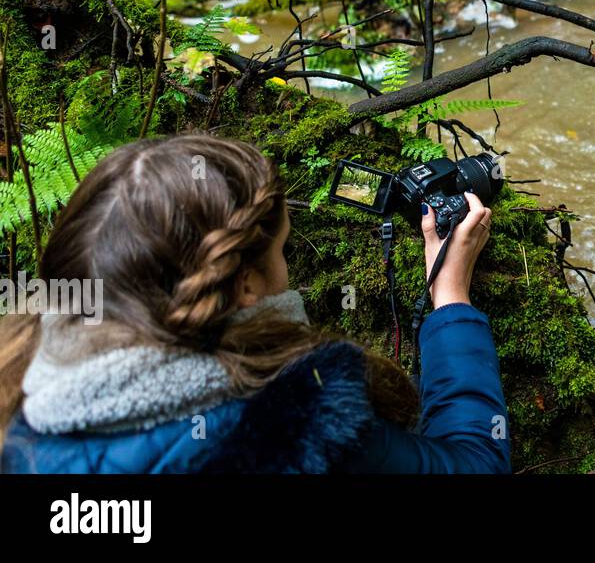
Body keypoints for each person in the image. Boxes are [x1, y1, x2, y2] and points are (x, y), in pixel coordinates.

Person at [0, 135, 510, 473]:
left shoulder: (17, 389)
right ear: (245, 286)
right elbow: (475, 465)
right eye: (282, 248)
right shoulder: (294, 421)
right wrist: (450, 298)